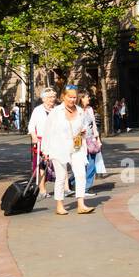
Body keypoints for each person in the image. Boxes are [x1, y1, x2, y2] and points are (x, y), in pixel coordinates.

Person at [44, 86, 93, 217]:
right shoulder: (56, 112)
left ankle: (81, 204)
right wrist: (45, 150)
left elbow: (85, 127)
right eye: (70, 97)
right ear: (63, 97)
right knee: (61, 177)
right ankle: (60, 205)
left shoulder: (80, 111)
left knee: (81, 174)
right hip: (58, 147)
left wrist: (83, 131)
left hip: (77, 147)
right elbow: (47, 131)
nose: (72, 99)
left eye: (74, 97)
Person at [27, 88, 56, 197]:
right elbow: (31, 125)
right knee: (42, 165)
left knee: (55, 164)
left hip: (54, 141)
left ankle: (62, 188)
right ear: (43, 99)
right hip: (41, 140)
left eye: (53, 97)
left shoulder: (56, 110)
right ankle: (42, 190)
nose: (52, 99)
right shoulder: (38, 110)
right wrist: (34, 136)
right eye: (49, 97)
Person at [78, 91, 101, 194]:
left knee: (92, 163)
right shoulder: (76, 110)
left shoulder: (90, 109)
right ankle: (73, 182)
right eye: (87, 97)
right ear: (81, 98)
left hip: (91, 139)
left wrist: (97, 138)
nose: (89, 99)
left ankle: (86, 187)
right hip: (81, 140)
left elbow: (94, 125)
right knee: (81, 164)